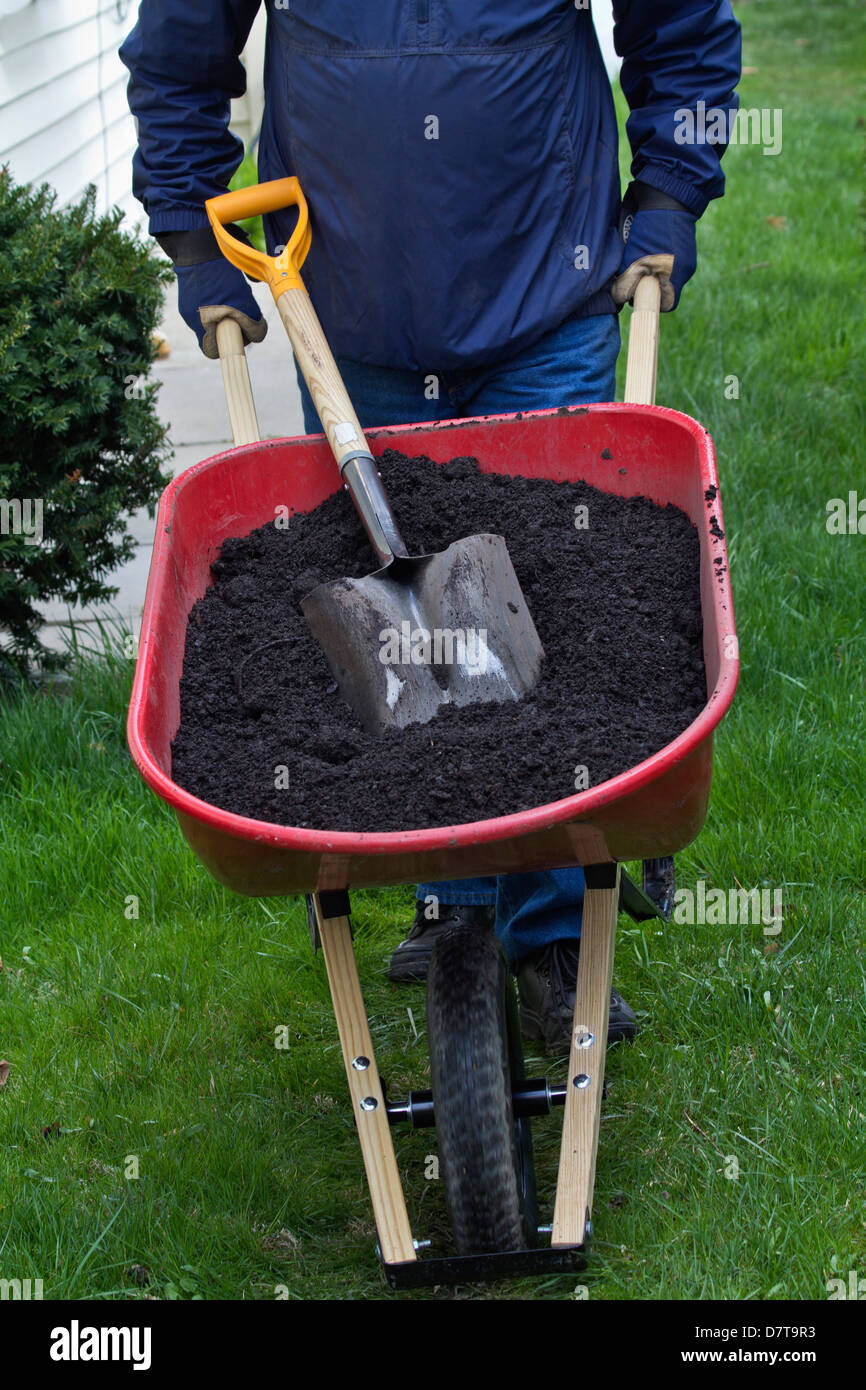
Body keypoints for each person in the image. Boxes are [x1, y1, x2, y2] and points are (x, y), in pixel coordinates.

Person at [121, 1, 741, 1051]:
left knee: (557, 609)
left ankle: (548, 936)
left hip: (548, 285)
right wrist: (193, 234)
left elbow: (679, 21)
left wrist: (670, 195)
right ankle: (447, 893)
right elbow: (181, 46)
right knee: (405, 617)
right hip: (355, 310)